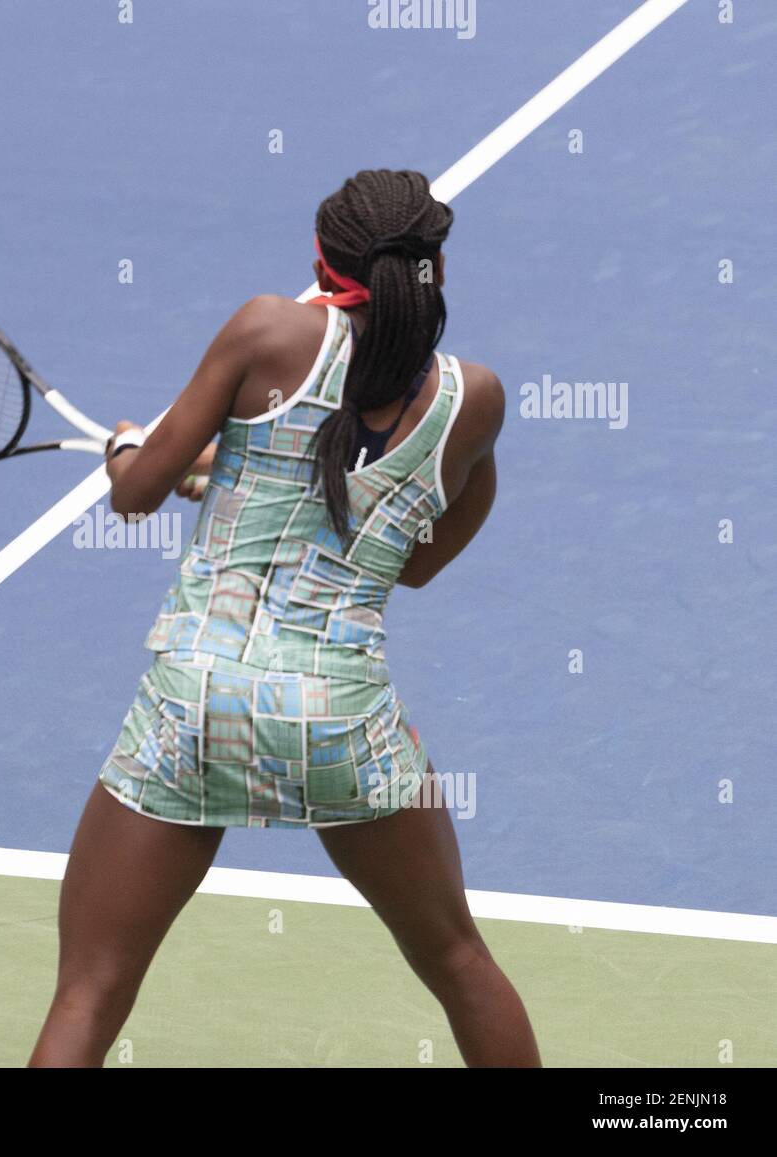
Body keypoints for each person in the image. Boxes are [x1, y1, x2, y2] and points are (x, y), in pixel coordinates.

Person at [29, 169, 540, 1068]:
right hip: (342, 724)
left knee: (91, 990)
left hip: (193, 711)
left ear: (325, 266)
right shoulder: (479, 401)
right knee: (460, 962)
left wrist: (127, 454)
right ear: (438, 272)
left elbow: (139, 495)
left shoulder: (266, 330)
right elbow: (414, 561)